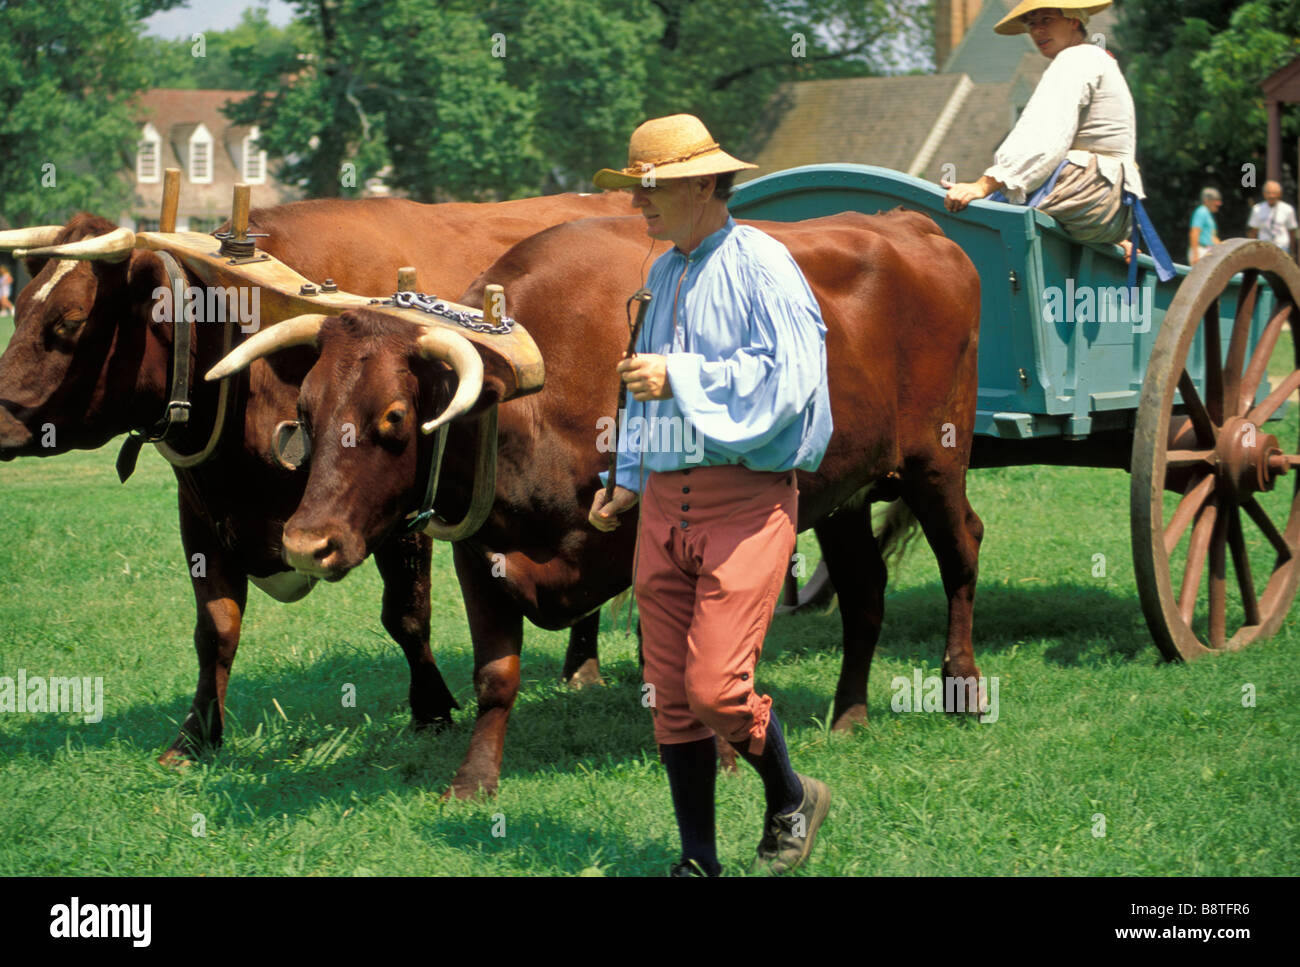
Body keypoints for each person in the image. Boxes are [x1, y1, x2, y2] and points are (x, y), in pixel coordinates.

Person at [587, 114, 833, 876]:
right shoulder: (663, 274)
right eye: (636, 190)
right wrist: (626, 481)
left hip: (746, 503)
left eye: (651, 189)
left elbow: (791, 383)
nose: (640, 205)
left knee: (717, 690)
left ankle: (793, 794)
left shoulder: (764, 264)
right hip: (663, 503)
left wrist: (681, 376)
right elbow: (641, 386)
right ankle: (698, 860)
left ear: (702, 184)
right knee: (667, 692)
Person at [942, 2, 1149, 259]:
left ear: (1074, 20)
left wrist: (982, 186)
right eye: (1031, 23)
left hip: (1084, 194)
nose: (1037, 30)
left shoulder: (1076, 57)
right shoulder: (1100, 59)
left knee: (963, 232)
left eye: (1046, 20)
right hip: (1112, 210)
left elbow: (1042, 138)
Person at [1247, 180, 1298, 257]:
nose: (1271, 196)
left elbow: (1292, 231)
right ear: (1264, 194)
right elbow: (1253, 232)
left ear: (1279, 194)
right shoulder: (1257, 209)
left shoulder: (1288, 209)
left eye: (1274, 193)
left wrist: (1293, 251)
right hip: (1263, 248)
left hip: (1282, 248)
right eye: (1268, 193)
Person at [1189, 187, 1222, 265]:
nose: (1218, 204)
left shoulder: (1209, 215)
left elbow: (1213, 237)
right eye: (1215, 200)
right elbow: (1194, 233)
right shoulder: (1201, 211)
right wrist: (1195, 255)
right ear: (1207, 201)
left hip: (1208, 251)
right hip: (1200, 250)